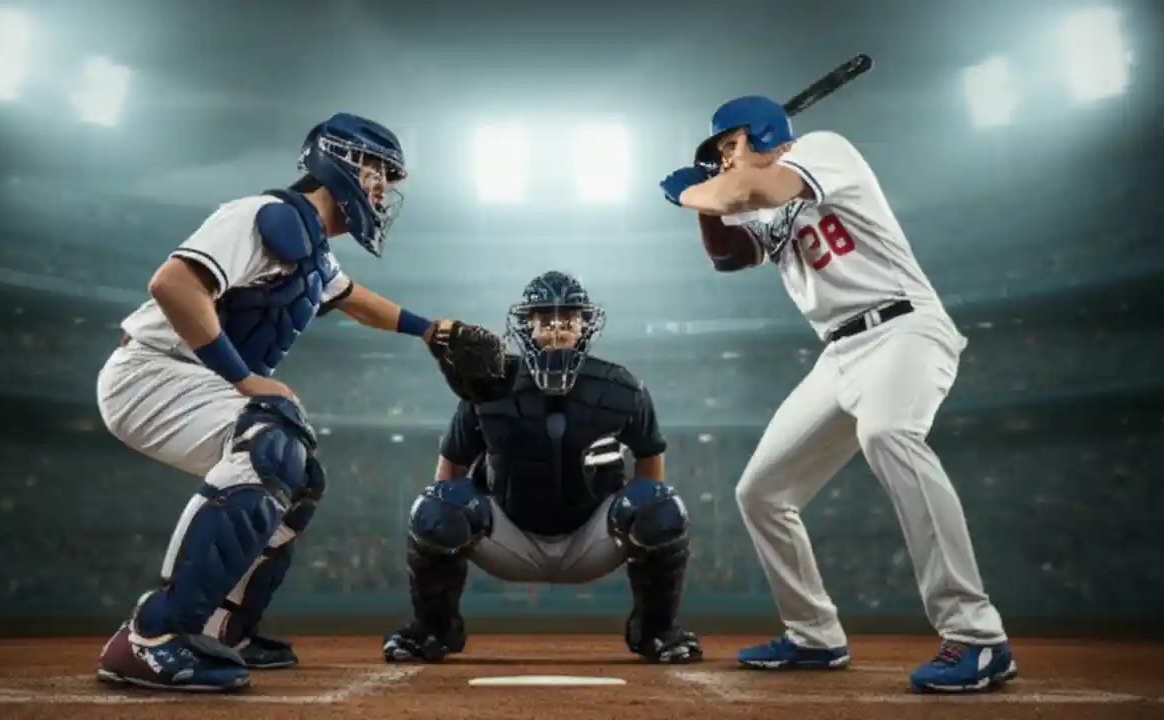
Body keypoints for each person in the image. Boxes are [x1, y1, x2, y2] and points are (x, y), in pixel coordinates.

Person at [94, 112, 469, 692]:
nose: (382, 190)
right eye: (377, 173)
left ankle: (223, 628)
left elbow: (354, 299)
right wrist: (244, 380)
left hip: (192, 379)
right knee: (271, 439)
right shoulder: (256, 214)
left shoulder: (313, 249)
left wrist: (430, 329)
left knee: (300, 475)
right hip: (150, 372)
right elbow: (172, 284)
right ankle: (155, 636)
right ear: (337, 160)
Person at [658, 95, 1016, 693]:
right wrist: (704, 206)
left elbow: (745, 194)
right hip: (841, 351)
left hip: (904, 327)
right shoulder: (761, 191)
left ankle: (978, 635)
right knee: (762, 491)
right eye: (720, 153)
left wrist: (693, 192)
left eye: (731, 146)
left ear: (768, 132)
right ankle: (814, 635)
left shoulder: (822, 149)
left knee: (888, 434)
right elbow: (729, 253)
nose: (726, 161)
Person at [382, 271, 702, 664]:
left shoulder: (622, 387)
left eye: (567, 318)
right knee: (434, 507)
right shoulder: (486, 385)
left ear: (585, 323)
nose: (556, 329)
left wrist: (646, 524)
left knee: (661, 505)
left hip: (593, 537)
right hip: (509, 535)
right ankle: (432, 630)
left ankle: (658, 632)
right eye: (545, 320)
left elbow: (651, 462)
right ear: (527, 325)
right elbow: (450, 468)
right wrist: (442, 530)